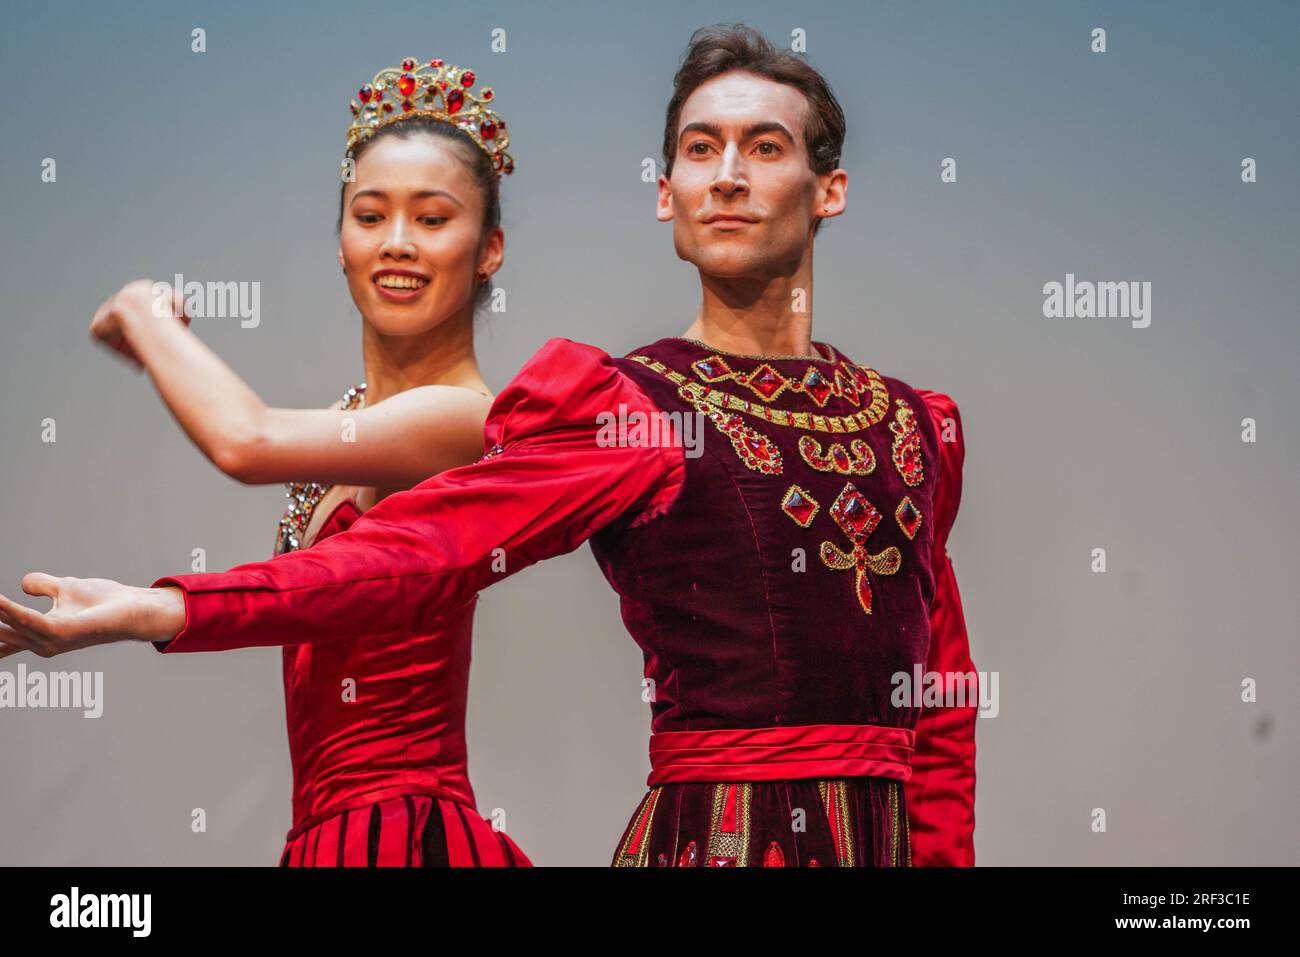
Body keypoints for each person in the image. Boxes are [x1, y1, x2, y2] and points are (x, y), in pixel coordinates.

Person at [0, 26, 976, 866]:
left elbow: (938, 697)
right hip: (705, 836)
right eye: (698, 148)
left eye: (764, 147)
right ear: (664, 192)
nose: (727, 174)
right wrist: (166, 606)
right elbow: (417, 555)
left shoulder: (913, 424)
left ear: (829, 187)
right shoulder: (632, 406)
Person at [28, 55, 531, 868]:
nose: (396, 243)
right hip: (328, 838)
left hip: (403, 835)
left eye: (433, 219)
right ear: (339, 241)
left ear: (490, 248)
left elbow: (245, 440)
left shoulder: (466, 417)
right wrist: (133, 604)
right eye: (370, 216)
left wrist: (147, 317)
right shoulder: (348, 420)